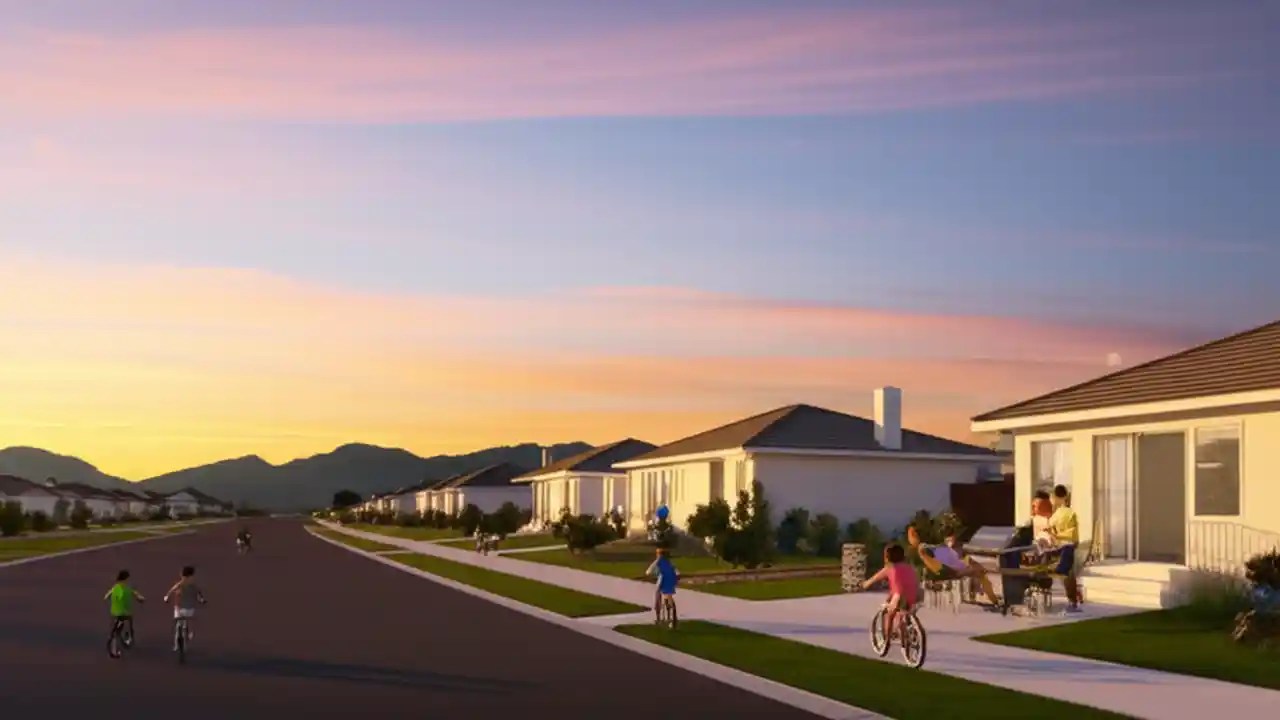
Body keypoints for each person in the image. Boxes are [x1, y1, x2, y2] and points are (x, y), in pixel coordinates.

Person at [908, 526, 1001, 608]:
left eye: (952, 539)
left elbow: (966, 559)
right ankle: (988, 596)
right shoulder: (940, 549)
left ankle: (993, 599)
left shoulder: (957, 548)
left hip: (956, 570)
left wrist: (978, 567)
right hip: (947, 571)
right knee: (975, 570)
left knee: (980, 573)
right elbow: (927, 550)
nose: (951, 542)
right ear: (945, 540)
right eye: (949, 540)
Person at [862, 544, 918, 643]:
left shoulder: (890, 568)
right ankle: (909, 630)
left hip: (900, 596)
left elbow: (876, 578)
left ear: (887, 558)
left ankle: (887, 639)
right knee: (905, 611)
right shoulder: (909, 567)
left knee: (890, 614)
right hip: (916, 594)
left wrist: (866, 584)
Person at [1048, 484, 1082, 612]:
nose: (1051, 500)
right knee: (1068, 574)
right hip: (1065, 548)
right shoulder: (1065, 513)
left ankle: (1073, 600)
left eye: (1052, 497)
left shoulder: (1063, 514)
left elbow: (1071, 535)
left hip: (1064, 549)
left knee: (1066, 573)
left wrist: (1055, 535)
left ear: (1056, 497)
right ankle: (1073, 600)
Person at [162, 566, 207, 649]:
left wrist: (201, 599)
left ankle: (189, 631)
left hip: (188, 608)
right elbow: (171, 591)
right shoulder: (180, 585)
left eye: (188, 577)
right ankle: (177, 644)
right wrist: (167, 597)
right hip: (179, 608)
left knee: (189, 621)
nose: (186, 579)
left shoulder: (193, 586)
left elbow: (199, 594)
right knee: (178, 625)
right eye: (184, 577)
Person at [104, 570, 145, 649]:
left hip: (115, 613)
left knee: (114, 626)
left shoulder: (115, 588)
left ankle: (111, 637)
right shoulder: (127, 589)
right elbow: (137, 595)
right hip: (126, 613)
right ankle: (130, 638)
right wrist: (141, 599)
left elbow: (106, 596)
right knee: (130, 625)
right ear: (125, 579)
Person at [645, 548, 679, 623]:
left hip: (662, 580)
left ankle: (658, 616)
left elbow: (649, 571)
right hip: (672, 580)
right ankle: (672, 614)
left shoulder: (658, 561)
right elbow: (677, 572)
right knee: (669, 595)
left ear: (658, 554)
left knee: (658, 595)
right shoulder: (669, 562)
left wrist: (649, 573)